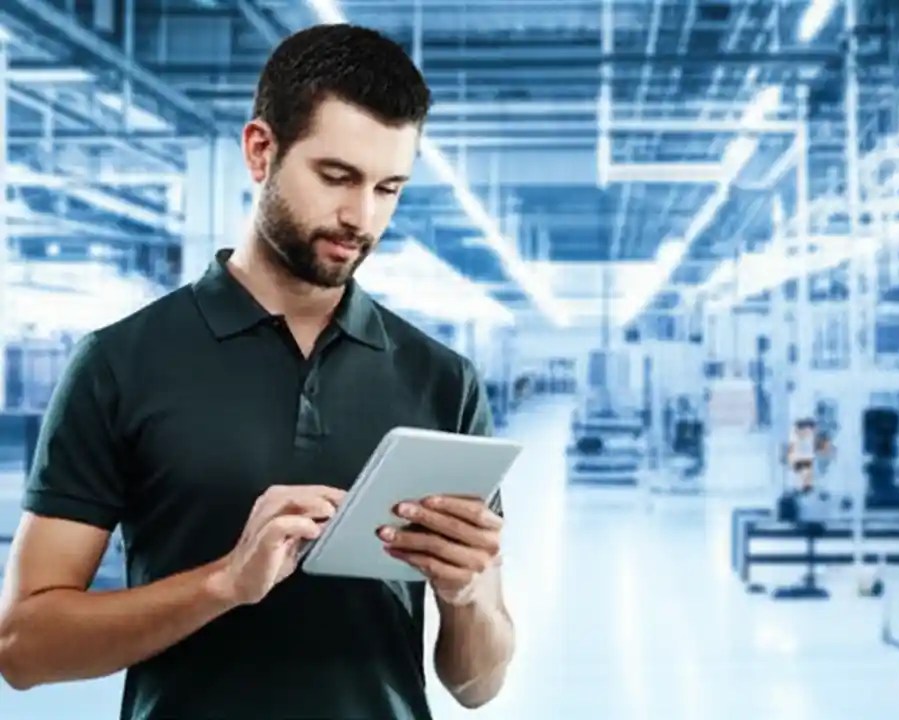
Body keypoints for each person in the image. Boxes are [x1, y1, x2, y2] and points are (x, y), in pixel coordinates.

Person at [0, 23, 514, 720]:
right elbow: (22, 648)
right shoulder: (121, 363)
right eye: (336, 177)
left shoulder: (443, 381)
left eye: (388, 188)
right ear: (259, 150)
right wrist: (225, 584)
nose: (361, 216)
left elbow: (477, 686)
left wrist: (468, 594)